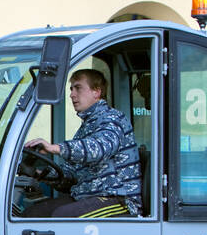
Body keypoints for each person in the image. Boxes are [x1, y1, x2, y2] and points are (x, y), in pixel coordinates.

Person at [23, 69, 141, 217]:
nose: (72, 94)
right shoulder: (86, 127)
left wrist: (55, 148)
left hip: (118, 199)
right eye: (71, 89)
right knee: (34, 213)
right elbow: (70, 174)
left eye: (78, 88)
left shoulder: (112, 119)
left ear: (96, 92)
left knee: (63, 216)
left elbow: (98, 149)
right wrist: (38, 174)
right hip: (86, 195)